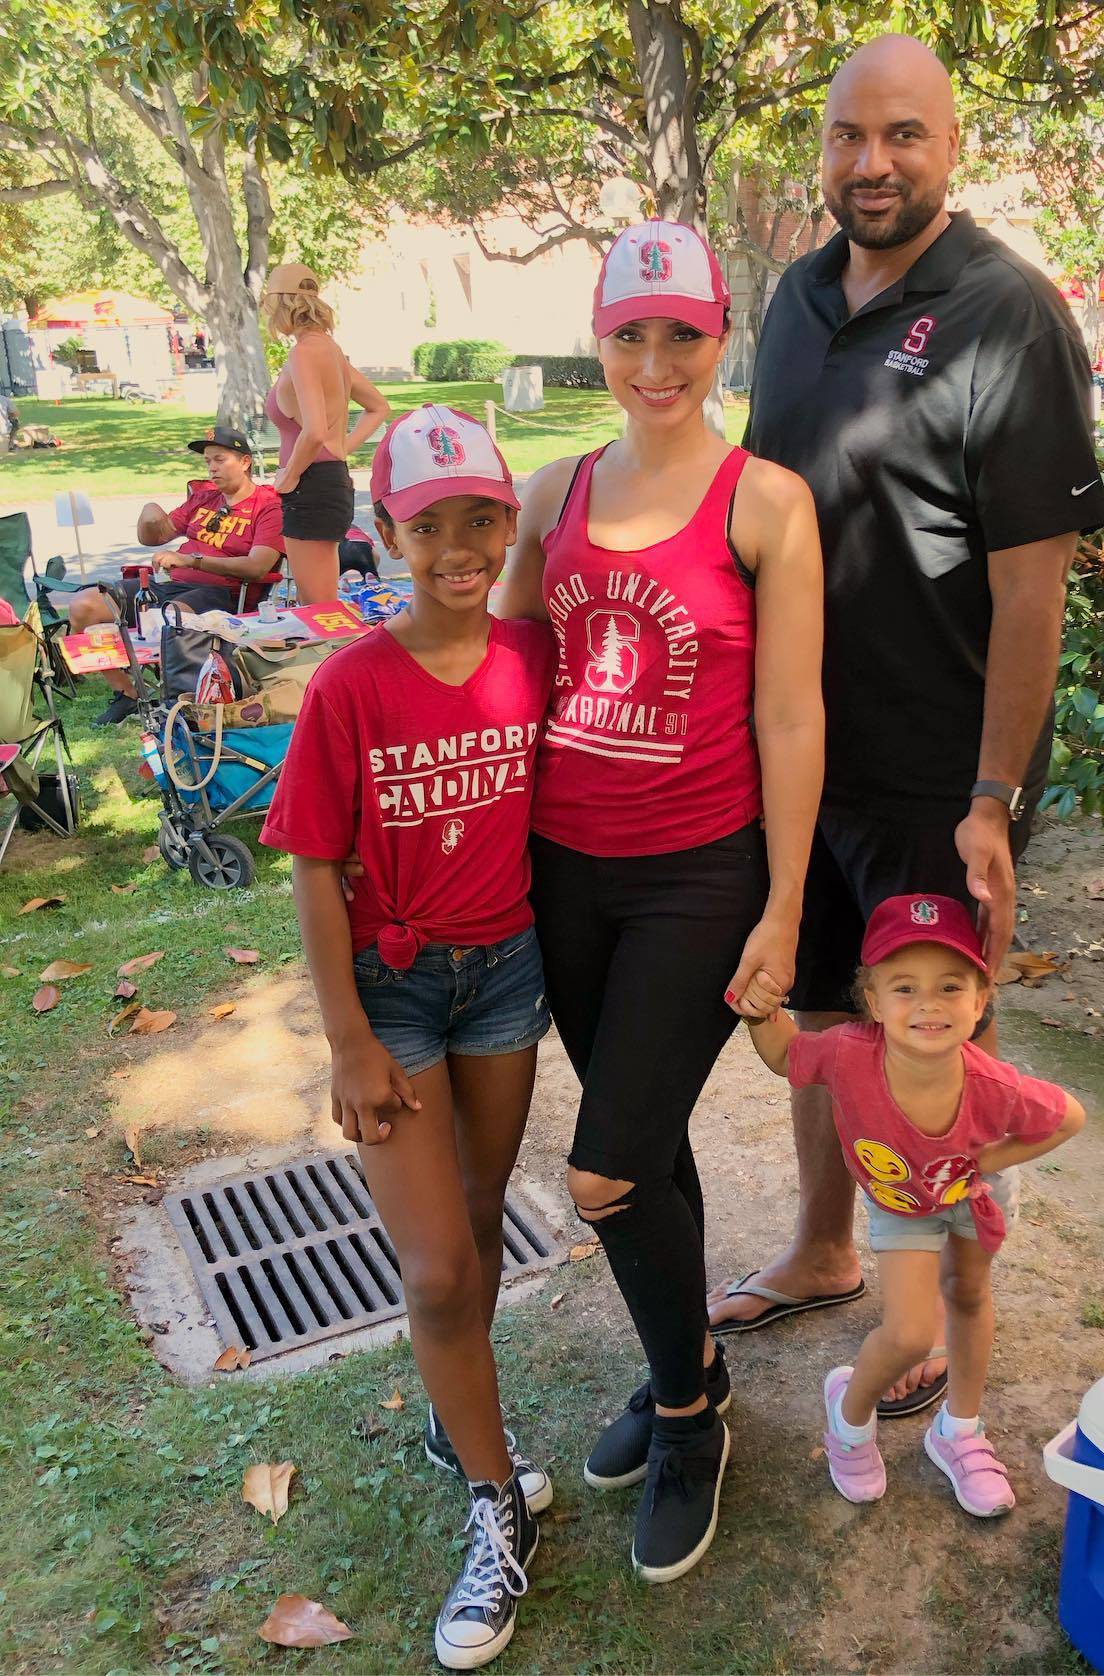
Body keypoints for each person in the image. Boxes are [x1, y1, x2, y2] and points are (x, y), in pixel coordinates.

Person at [709, 33, 1104, 1423]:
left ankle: (925, 1309)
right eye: (846, 137)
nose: (870, 164)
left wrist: (993, 798)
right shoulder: (798, 297)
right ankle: (830, 1246)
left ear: (951, 146)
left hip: (943, 774)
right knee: (825, 1011)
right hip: (806, 752)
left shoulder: (1010, 313)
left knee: (922, 1046)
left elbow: (1031, 586)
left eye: (901, 137)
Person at [500, 219, 824, 1584]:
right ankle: (688, 1360)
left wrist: (784, 907)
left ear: (718, 337)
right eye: (630, 334)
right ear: (601, 340)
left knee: (602, 1170)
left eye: (679, 333)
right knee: (655, 1144)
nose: (654, 360)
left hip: (702, 877)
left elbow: (796, 718)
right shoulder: (552, 492)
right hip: (565, 870)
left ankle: (689, 1418)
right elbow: (506, 665)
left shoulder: (767, 503)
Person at [260, 405, 556, 1670]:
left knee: (484, 1213)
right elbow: (314, 867)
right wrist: (346, 1040)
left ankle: (457, 1419)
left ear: (508, 526)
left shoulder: (530, 657)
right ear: (387, 531)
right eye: (429, 525)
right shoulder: (351, 684)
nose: (458, 547)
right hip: (394, 998)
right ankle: (497, 1509)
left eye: (481, 520)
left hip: (506, 978)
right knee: (434, 1268)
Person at [743, 894, 1084, 1509]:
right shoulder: (848, 1054)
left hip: (970, 1198)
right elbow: (784, 1053)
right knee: (905, 1334)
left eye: (950, 986)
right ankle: (848, 1421)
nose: (928, 1004)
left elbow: (1067, 1117)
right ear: (872, 1001)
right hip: (903, 1204)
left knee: (970, 1300)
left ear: (980, 1002)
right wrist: (758, 1010)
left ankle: (960, 1431)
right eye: (904, 987)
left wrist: (985, 1162)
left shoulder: (993, 1083)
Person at [66, 425, 284, 725]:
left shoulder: (267, 505)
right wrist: (149, 512)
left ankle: (178, 705)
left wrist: (193, 561)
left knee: (175, 619)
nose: (211, 468)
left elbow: (258, 566)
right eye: (208, 461)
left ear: (245, 462)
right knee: (84, 606)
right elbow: (155, 536)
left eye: (219, 460)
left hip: (226, 594)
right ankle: (128, 693)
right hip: (171, 582)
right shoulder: (205, 500)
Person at [262, 262, 390, 605]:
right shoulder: (329, 349)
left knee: (317, 607)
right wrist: (341, 449)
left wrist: (289, 475)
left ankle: (336, 660)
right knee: (320, 601)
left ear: (283, 303)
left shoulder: (304, 352)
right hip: (327, 481)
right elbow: (378, 406)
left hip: (311, 486)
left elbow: (315, 429)